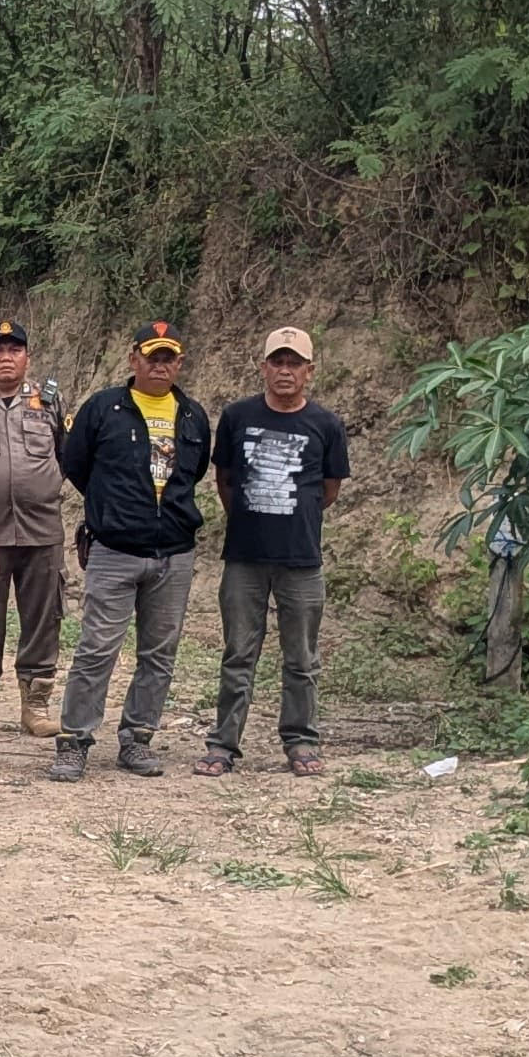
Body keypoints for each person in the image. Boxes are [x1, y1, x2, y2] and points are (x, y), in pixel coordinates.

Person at [52, 320, 212, 783]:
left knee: (159, 652)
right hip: (115, 549)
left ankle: (138, 738)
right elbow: (76, 465)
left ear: (180, 363)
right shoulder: (104, 408)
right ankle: (74, 741)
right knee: (96, 648)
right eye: (152, 355)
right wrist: (113, 510)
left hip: (174, 553)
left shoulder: (192, 415)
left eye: (169, 358)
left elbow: (194, 473)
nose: (160, 365)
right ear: (133, 358)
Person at [206, 327, 349, 779]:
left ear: (310, 370)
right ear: (263, 366)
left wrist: (293, 518)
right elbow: (225, 480)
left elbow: (329, 489)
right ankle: (223, 744)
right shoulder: (237, 416)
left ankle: (301, 741)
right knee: (238, 654)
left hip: (302, 559)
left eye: (294, 364)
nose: (285, 371)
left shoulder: (326, 425)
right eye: (277, 362)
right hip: (245, 556)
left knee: (302, 658)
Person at [0, 320, 68, 739]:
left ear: (27, 356)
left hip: (42, 531)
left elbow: (65, 456)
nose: (7, 357)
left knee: (43, 619)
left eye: (15, 349)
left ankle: (35, 704)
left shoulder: (51, 402)